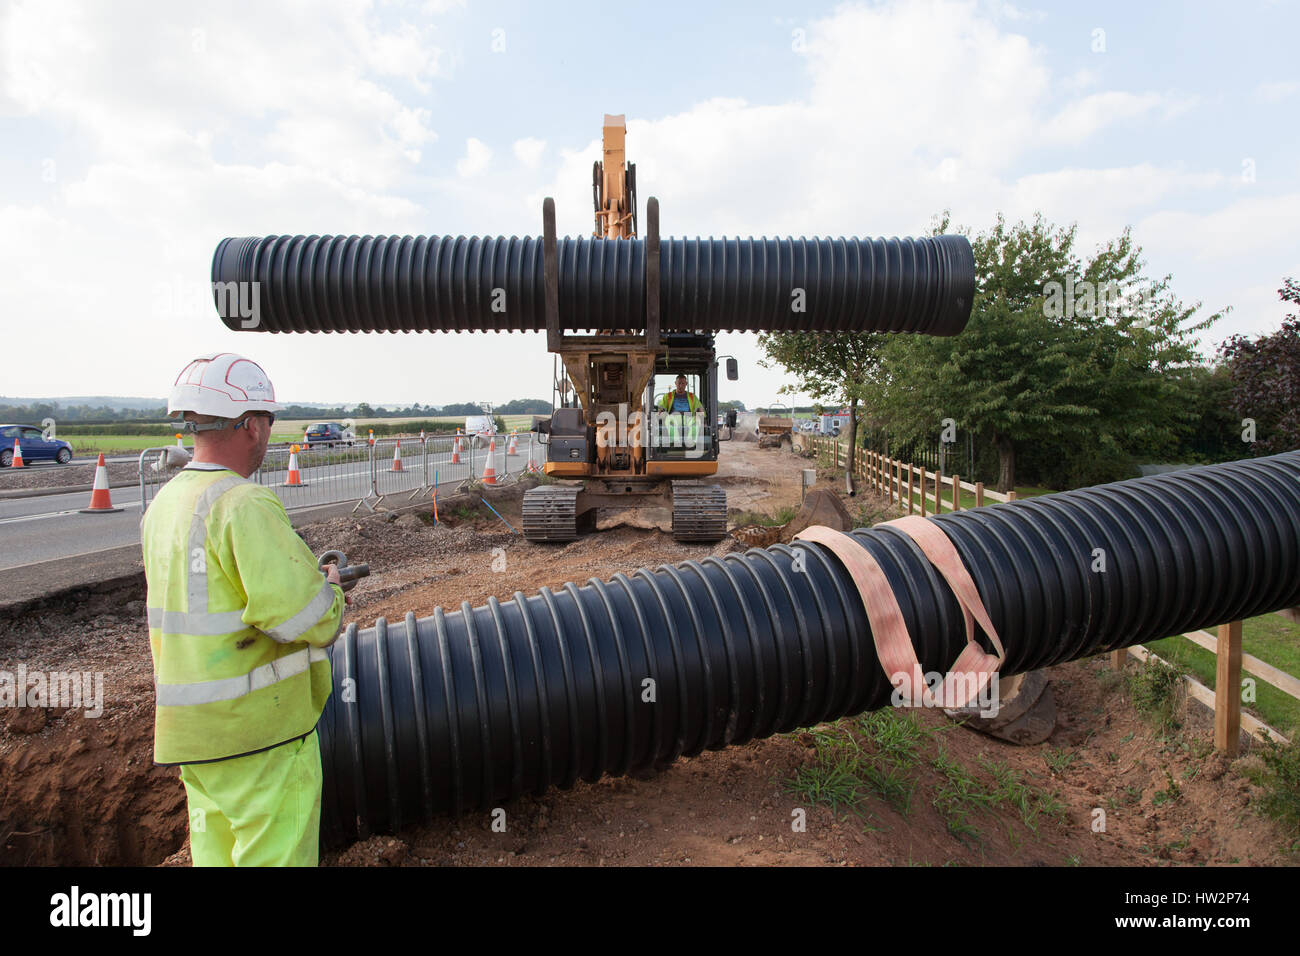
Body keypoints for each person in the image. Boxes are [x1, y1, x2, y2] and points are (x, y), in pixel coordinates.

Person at [141, 352, 346, 867]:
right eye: (269, 422)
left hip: (195, 738)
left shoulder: (165, 504)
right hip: (260, 737)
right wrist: (332, 591)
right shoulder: (241, 503)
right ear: (251, 426)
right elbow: (305, 617)